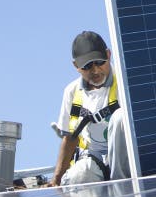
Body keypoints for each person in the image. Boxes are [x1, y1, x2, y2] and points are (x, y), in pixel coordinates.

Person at [49, 31, 129, 186]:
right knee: (79, 177)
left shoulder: (125, 80)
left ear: (108, 54)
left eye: (99, 62)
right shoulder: (71, 92)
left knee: (121, 116)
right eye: (87, 66)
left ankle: (123, 188)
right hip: (93, 158)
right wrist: (56, 180)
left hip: (124, 157)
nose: (95, 71)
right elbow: (70, 138)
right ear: (76, 66)